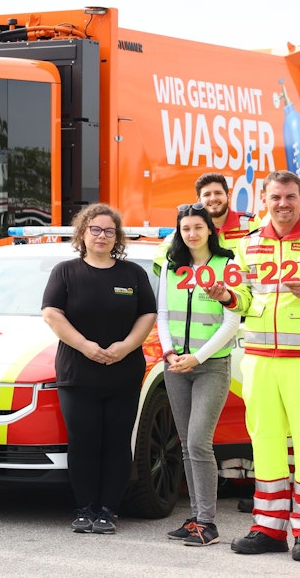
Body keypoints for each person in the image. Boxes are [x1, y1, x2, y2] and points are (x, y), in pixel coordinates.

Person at [41, 203, 156, 535]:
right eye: (95, 229)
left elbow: (147, 315)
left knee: (117, 441)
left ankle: (108, 510)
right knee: (83, 441)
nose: (102, 236)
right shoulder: (65, 272)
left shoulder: (133, 274)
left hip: (123, 372)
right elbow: (52, 314)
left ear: (117, 237)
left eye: (109, 231)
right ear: (83, 233)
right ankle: (84, 508)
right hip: (78, 372)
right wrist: (86, 346)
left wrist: (125, 346)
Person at [208, 170, 300, 559]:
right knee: (264, 447)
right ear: (264, 200)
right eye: (276, 197)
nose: (283, 204)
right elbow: (245, 298)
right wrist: (227, 295)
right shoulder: (248, 246)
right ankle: (269, 528)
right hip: (260, 361)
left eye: (290, 197)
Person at [158, 203, 238, 547]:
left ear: (210, 229)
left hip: (211, 365)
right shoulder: (172, 267)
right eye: (185, 228)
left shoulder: (227, 264)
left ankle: (208, 522)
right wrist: (170, 353)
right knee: (187, 446)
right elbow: (161, 313)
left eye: (197, 227)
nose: (191, 234)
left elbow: (232, 321)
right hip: (175, 365)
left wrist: (198, 356)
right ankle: (195, 518)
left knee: (197, 442)